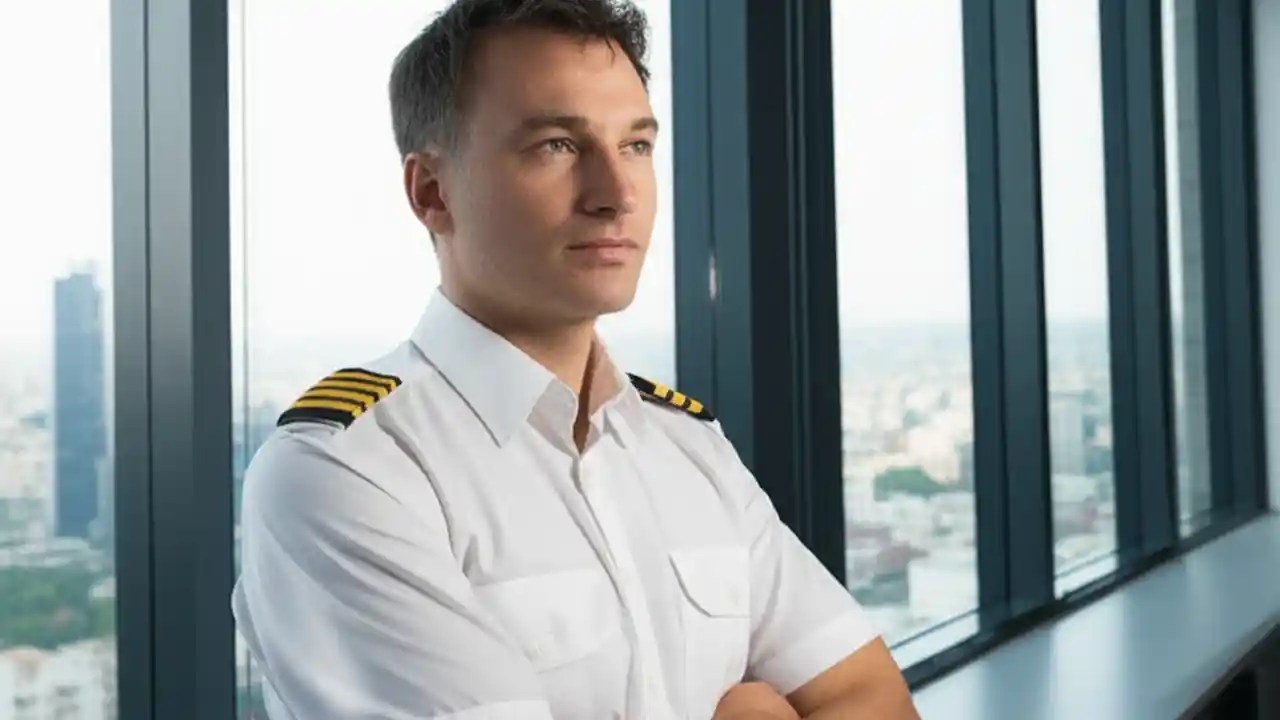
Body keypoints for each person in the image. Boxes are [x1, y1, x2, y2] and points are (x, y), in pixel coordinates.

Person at [231, 0, 919, 718]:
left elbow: (875, 699)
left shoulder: (687, 447)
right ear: (432, 192)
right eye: (557, 145)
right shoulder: (348, 471)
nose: (617, 195)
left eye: (637, 146)